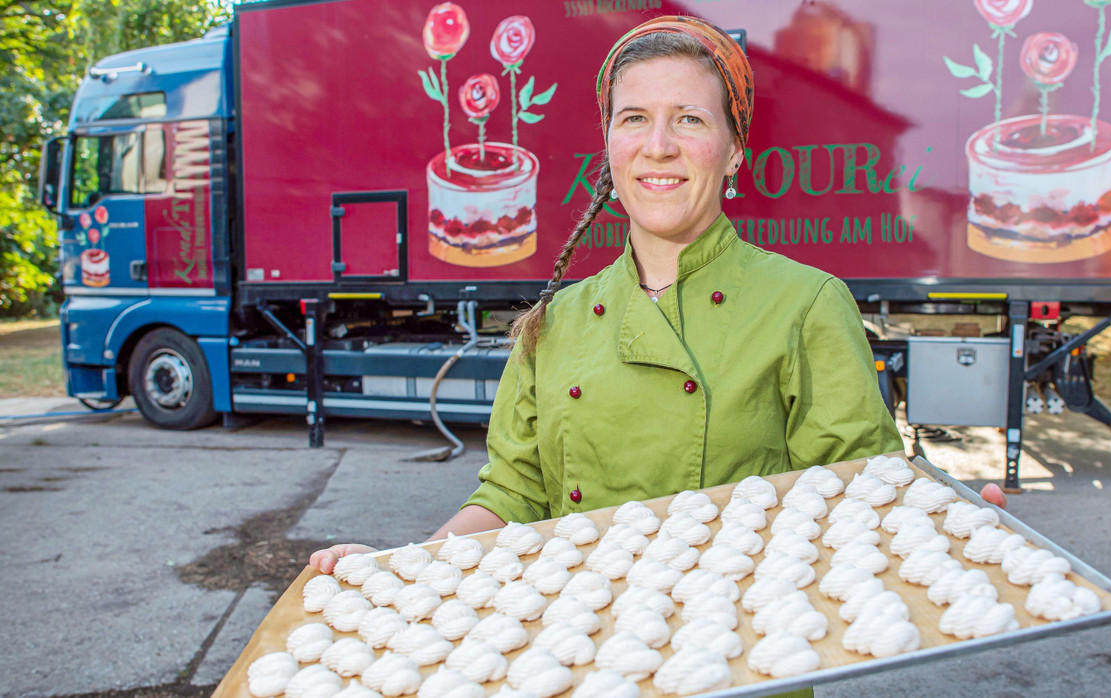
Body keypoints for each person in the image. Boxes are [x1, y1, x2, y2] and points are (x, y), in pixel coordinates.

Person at [310, 15, 1006, 576]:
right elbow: (513, 496)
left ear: (735, 150)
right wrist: (403, 570)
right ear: (609, 143)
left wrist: (953, 531)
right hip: (577, 650)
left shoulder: (805, 304)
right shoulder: (555, 321)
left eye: (691, 120)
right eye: (634, 118)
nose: (659, 146)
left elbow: (861, 496)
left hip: (741, 653)